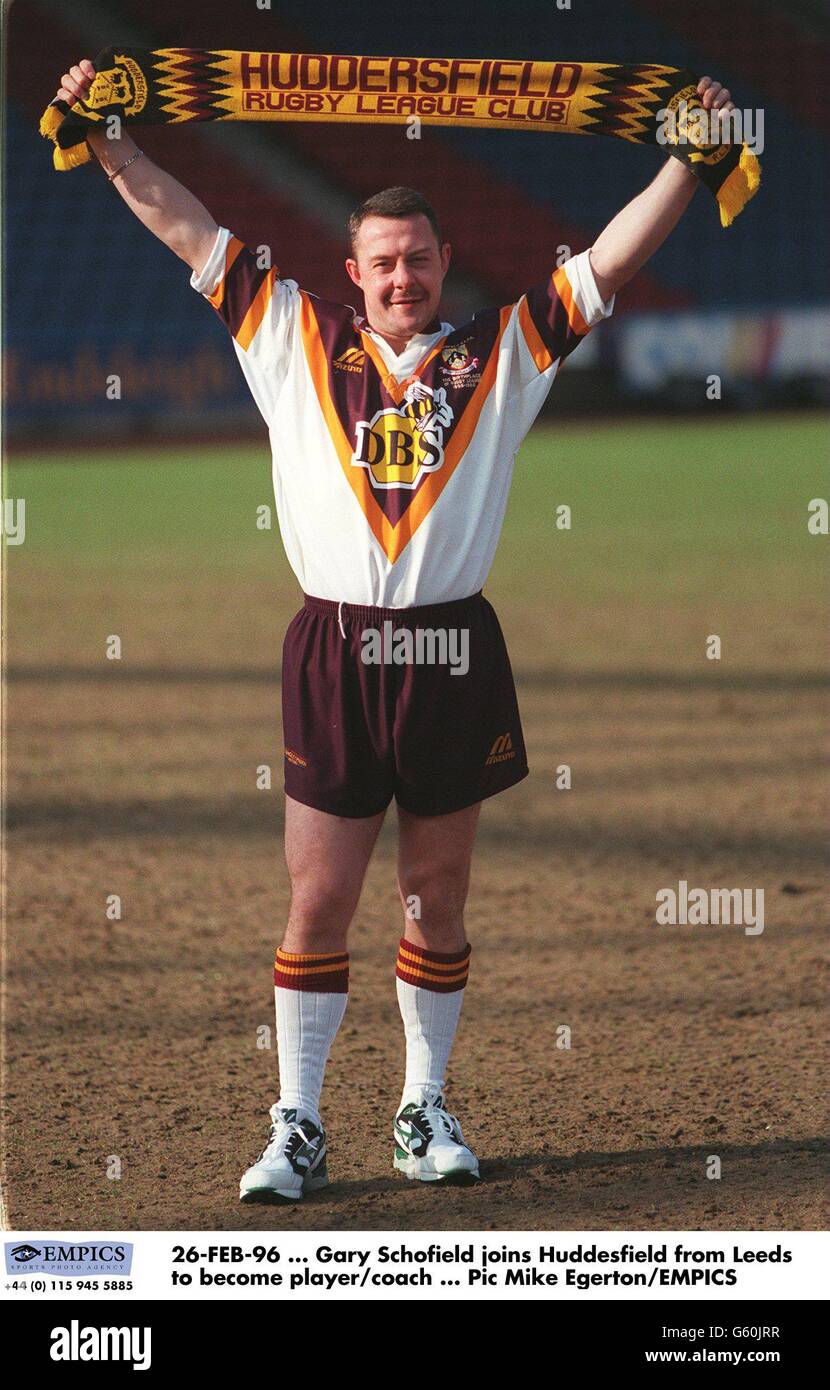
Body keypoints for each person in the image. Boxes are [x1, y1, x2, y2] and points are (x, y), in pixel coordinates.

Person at [54, 59, 736, 1203]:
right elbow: (190, 229)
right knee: (316, 898)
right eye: (383, 262)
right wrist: (112, 140)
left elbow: (610, 261)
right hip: (335, 651)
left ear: (441, 264)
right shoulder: (288, 335)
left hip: (450, 649)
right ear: (353, 272)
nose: (403, 276)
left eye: (419, 258)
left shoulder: (504, 351)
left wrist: (686, 158)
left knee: (436, 893)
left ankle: (420, 1108)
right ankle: (298, 1122)